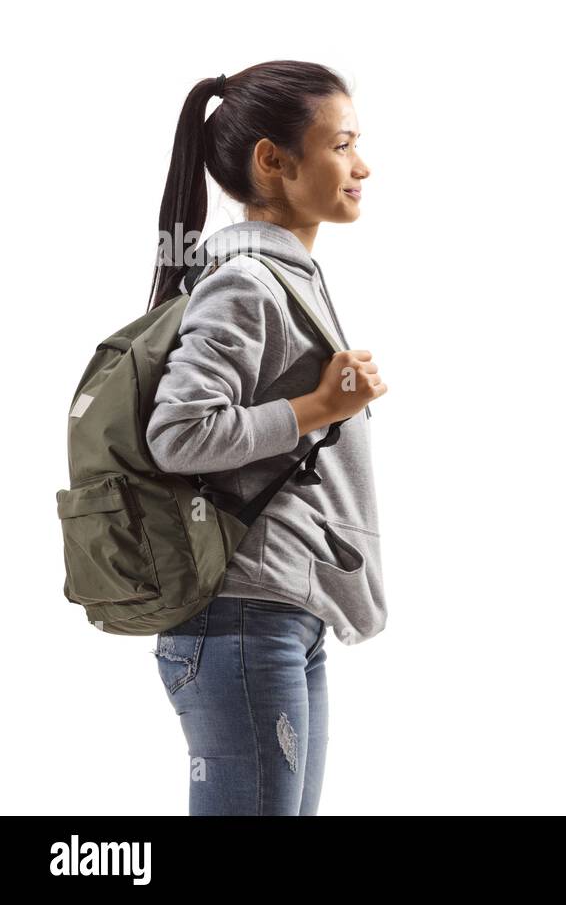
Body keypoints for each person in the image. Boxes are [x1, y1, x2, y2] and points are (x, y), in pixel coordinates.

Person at [144, 61, 388, 815]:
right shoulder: (247, 281)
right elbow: (178, 435)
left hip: (279, 612)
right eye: (341, 145)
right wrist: (320, 405)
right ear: (273, 163)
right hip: (243, 617)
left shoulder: (287, 278)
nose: (362, 166)